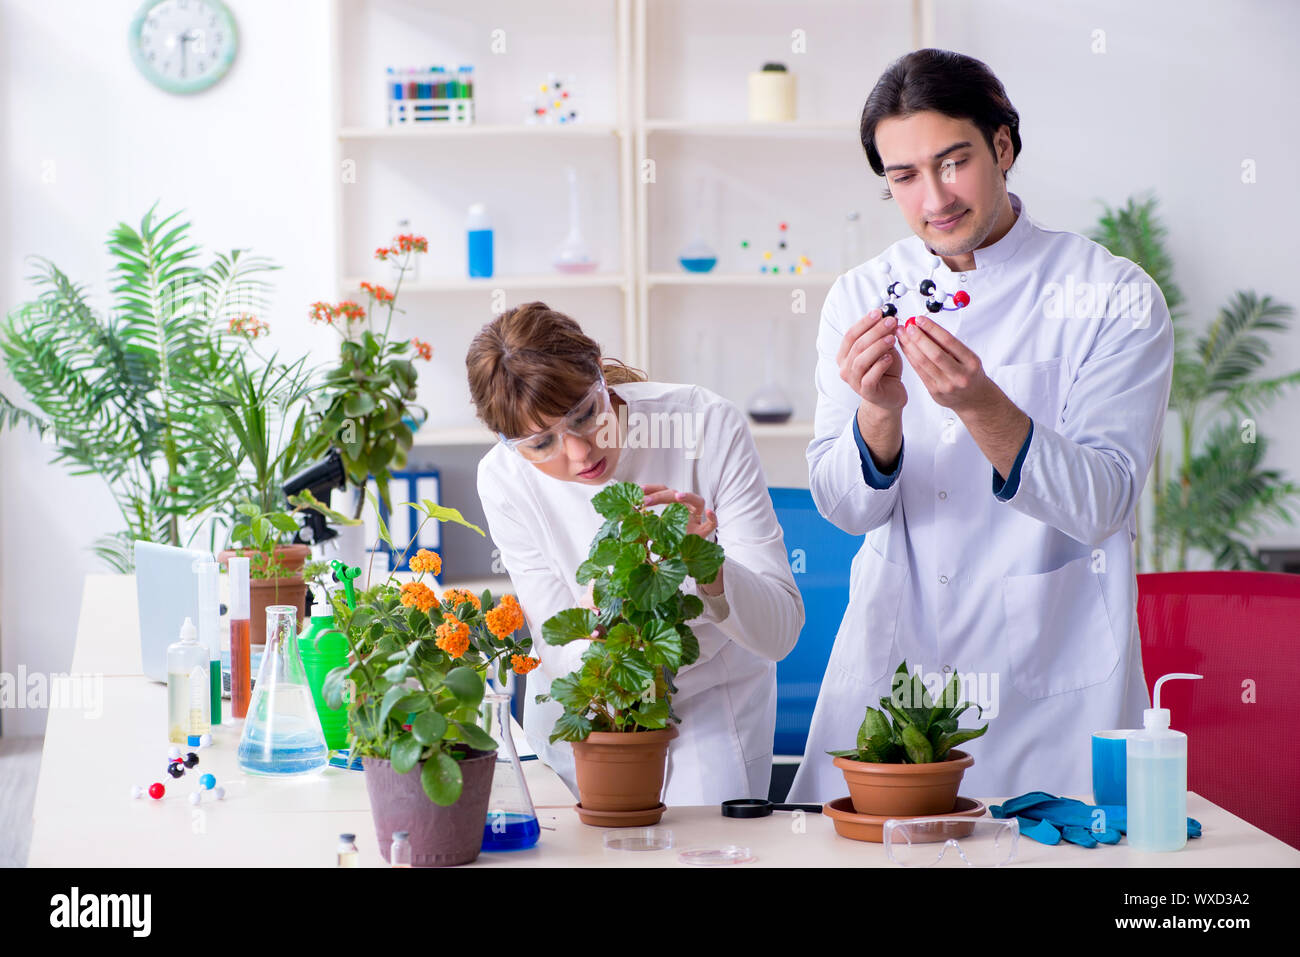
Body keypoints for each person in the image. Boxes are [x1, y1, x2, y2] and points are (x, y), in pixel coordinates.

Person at [787, 49, 1174, 803]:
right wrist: (879, 414)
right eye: (903, 176)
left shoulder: (1111, 297)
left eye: (953, 161)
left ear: (1002, 145)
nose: (933, 198)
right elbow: (842, 506)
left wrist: (980, 405)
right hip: (897, 660)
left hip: (1048, 683)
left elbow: (1102, 503)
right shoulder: (863, 295)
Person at [468, 301, 804, 804]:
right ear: (509, 444)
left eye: (586, 414)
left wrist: (705, 561)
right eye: (541, 444)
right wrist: (597, 618)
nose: (581, 452)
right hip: (587, 709)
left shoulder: (705, 426)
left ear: (602, 377)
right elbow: (561, 646)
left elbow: (779, 633)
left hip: (712, 698)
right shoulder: (502, 479)